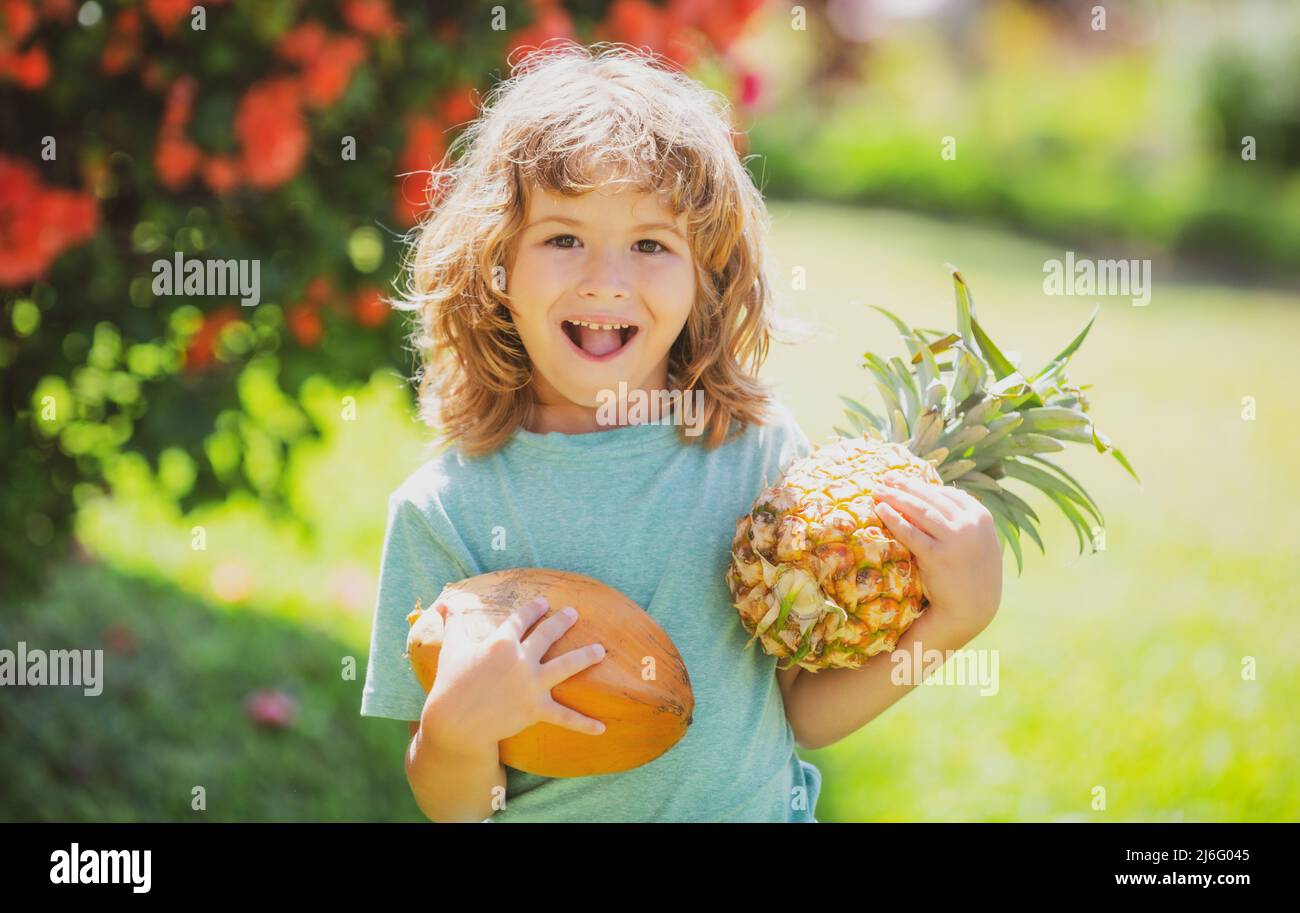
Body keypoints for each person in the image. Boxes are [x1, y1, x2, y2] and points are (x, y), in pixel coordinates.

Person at [360, 42, 1001, 823]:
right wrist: (457, 730)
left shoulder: (757, 453)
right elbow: (458, 806)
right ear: (495, 267)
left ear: (708, 276)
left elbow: (800, 711)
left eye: (651, 245)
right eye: (562, 238)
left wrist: (953, 621)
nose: (606, 278)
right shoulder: (446, 508)